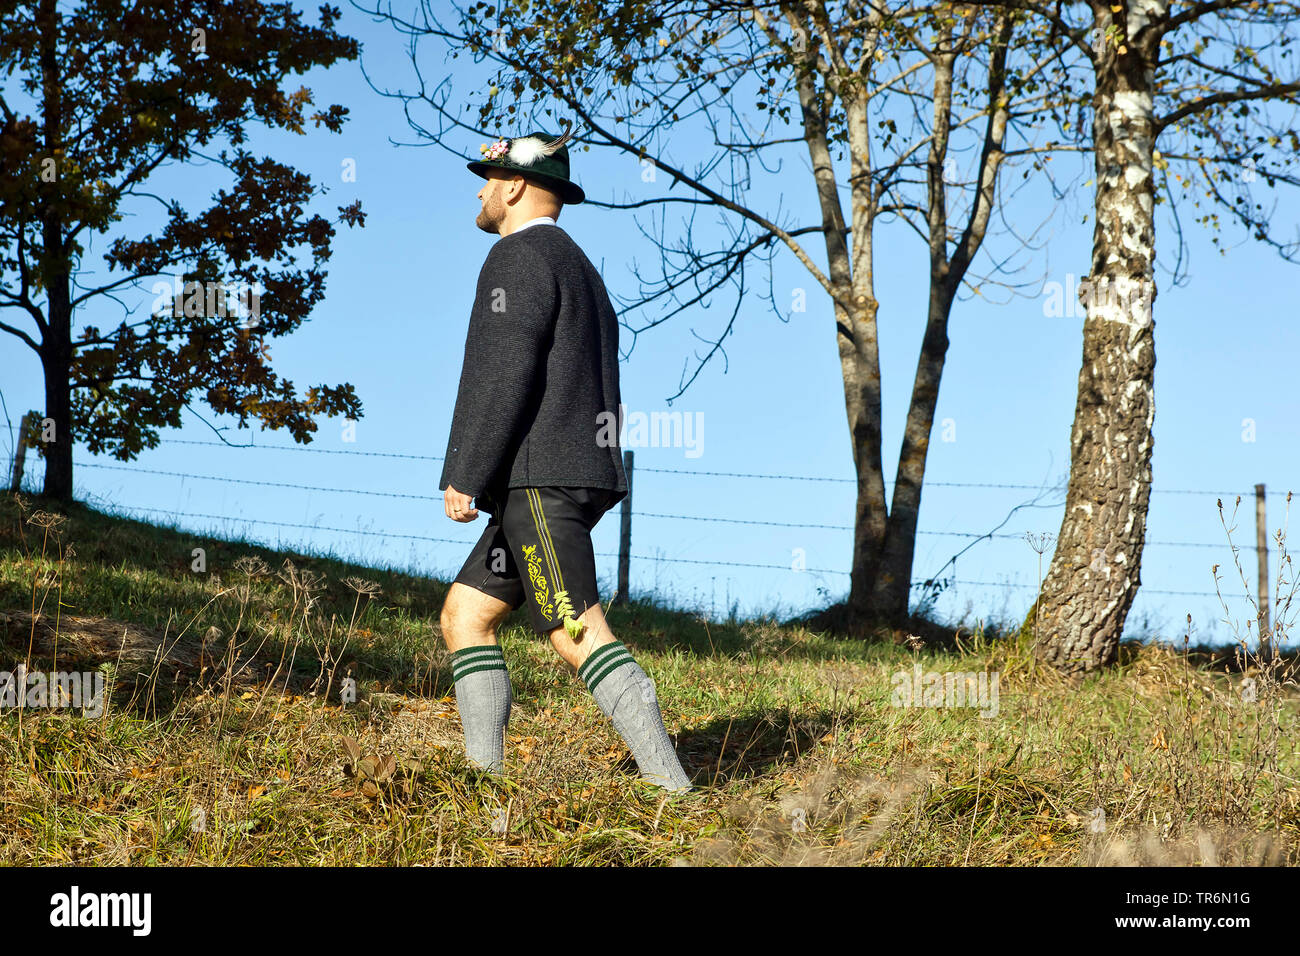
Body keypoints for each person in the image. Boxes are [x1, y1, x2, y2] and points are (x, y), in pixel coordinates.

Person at [437, 128, 692, 793]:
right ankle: (484, 789)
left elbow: (507, 372)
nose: (481, 188)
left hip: (537, 480)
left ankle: (678, 795)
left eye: (488, 177)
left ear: (515, 185)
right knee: (466, 616)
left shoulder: (517, 257)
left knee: (575, 628)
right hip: (558, 476)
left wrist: (465, 471)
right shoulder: (577, 265)